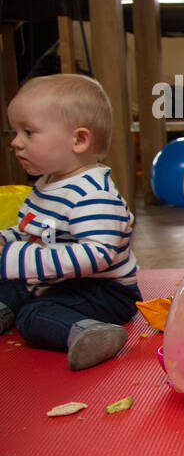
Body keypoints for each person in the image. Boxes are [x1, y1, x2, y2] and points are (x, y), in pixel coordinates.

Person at [0, 75, 140, 371]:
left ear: (78, 140)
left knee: (34, 316)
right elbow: (35, 232)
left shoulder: (93, 195)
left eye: (28, 132)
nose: (15, 142)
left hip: (102, 292)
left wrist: (18, 257)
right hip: (59, 281)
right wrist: (7, 239)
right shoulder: (48, 183)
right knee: (9, 282)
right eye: (15, 132)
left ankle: (88, 332)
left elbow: (96, 255)